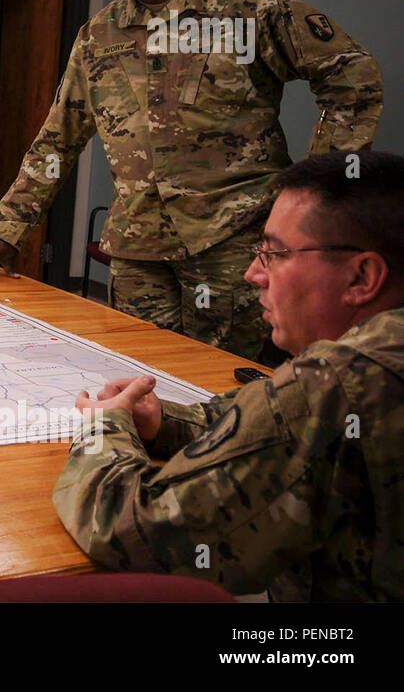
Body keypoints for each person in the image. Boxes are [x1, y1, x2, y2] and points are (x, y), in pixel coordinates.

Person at [0, 0, 382, 362]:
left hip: (231, 242)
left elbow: (352, 73)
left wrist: (314, 191)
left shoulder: (249, 11)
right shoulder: (99, 35)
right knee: (138, 374)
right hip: (138, 247)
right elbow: (57, 141)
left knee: (221, 379)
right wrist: (10, 228)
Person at [53, 151, 404, 601]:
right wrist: (166, 423)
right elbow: (272, 420)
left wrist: (105, 427)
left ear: (362, 277)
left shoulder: (335, 383)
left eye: (275, 253)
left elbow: (131, 530)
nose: (253, 273)